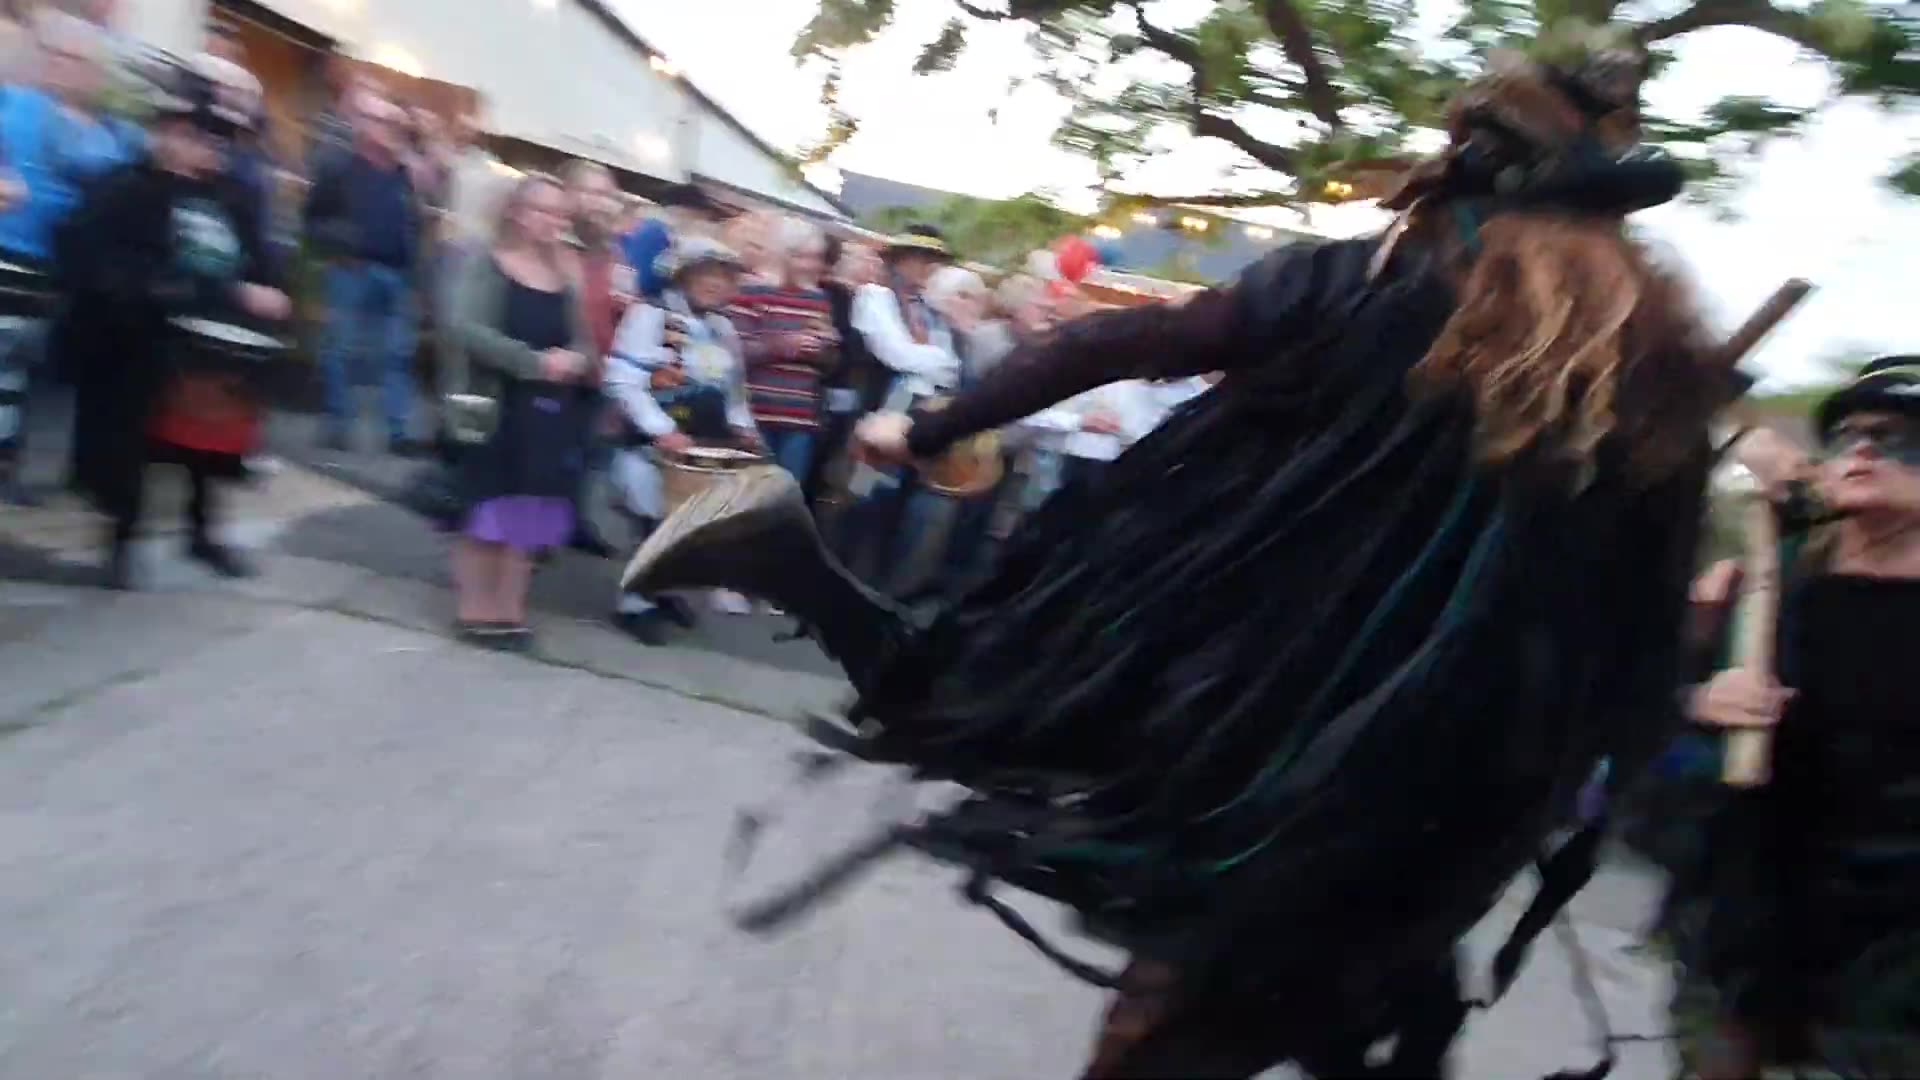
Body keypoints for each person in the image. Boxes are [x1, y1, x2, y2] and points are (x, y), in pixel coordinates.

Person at [622, 45, 1730, 1078]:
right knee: (1281, 988)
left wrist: (926, 427)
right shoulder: (1658, 377)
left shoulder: (1359, 282)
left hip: (1245, 685)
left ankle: (792, 561)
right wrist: (1610, 754)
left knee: (1017, 728)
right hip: (1436, 767)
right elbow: (1644, 615)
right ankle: (794, 564)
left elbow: (1110, 342)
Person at [1639, 359, 1920, 1078]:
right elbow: (1633, 743)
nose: (1862, 451)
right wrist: (1695, 699)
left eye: (1898, 438)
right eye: (1849, 436)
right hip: (1741, 935)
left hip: (1894, 972)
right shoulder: (1760, 586)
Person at [58, 53, 290, 589]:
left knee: (207, 450)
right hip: (139, 346)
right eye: (192, 136)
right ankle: (121, 544)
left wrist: (270, 289)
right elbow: (101, 266)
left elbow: (258, 258)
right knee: (132, 451)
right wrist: (220, 288)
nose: (205, 148)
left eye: (213, 140)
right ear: (165, 134)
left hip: (212, 349)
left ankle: (203, 535)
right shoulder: (126, 190)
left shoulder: (231, 197)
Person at [444, 172, 595, 648]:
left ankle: (511, 611)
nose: (551, 222)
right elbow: (464, 328)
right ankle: (474, 612)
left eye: (558, 213)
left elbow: (584, 341)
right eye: (540, 210)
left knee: (529, 517)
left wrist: (577, 358)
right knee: (488, 512)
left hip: (548, 413)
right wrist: (533, 362)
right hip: (492, 405)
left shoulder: (564, 277)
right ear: (515, 211)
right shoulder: (485, 263)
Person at [604, 237, 758, 642]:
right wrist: (661, 429)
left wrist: (745, 430)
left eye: (724, 277)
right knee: (652, 515)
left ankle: (660, 591)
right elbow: (623, 379)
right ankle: (634, 604)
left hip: (705, 439)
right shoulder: (650, 315)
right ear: (684, 274)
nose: (715, 283)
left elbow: (734, 389)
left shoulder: (723, 327)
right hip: (654, 437)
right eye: (707, 273)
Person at [835, 225, 960, 590]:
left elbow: (952, 368)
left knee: (893, 506)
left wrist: (924, 358)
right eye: (919, 260)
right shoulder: (875, 297)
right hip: (876, 408)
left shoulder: (930, 312)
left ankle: (867, 591)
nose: (926, 269)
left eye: (932, 262)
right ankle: (832, 588)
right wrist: (928, 358)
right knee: (859, 501)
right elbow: (894, 353)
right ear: (899, 261)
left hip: (914, 416)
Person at [304, 91, 425, 455]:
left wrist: (414, 271)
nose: (393, 131)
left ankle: (398, 433)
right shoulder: (338, 168)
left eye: (398, 125)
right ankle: (337, 423)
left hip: (396, 275)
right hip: (350, 271)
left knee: (396, 356)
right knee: (340, 350)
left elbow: (413, 225)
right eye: (385, 123)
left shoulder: (404, 176)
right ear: (364, 126)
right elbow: (312, 220)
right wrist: (343, 245)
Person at [728, 216, 838, 485]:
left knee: (784, 500)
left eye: (817, 258)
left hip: (800, 417)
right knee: (745, 499)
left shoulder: (818, 299)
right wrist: (785, 345)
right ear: (781, 254)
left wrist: (827, 347)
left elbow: (829, 365)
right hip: (754, 415)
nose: (812, 266)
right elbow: (734, 352)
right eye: (803, 257)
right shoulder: (749, 291)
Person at [559, 157, 629, 559]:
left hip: (601, 369)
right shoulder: (556, 242)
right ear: (568, 193)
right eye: (592, 192)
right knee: (552, 453)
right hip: (562, 364)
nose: (602, 203)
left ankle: (574, 520)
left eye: (608, 195)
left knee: (590, 454)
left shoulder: (614, 251)